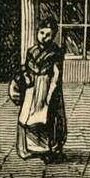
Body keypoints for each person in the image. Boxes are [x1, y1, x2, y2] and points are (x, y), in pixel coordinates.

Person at [16, 19, 67, 160]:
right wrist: (26, 77)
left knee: (47, 118)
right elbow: (25, 68)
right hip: (32, 88)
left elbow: (57, 73)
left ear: (53, 35)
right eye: (41, 33)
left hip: (47, 86)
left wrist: (51, 92)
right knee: (27, 117)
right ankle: (30, 147)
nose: (44, 37)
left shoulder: (55, 52)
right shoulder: (31, 51)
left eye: (48, 34)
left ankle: (49, 150)